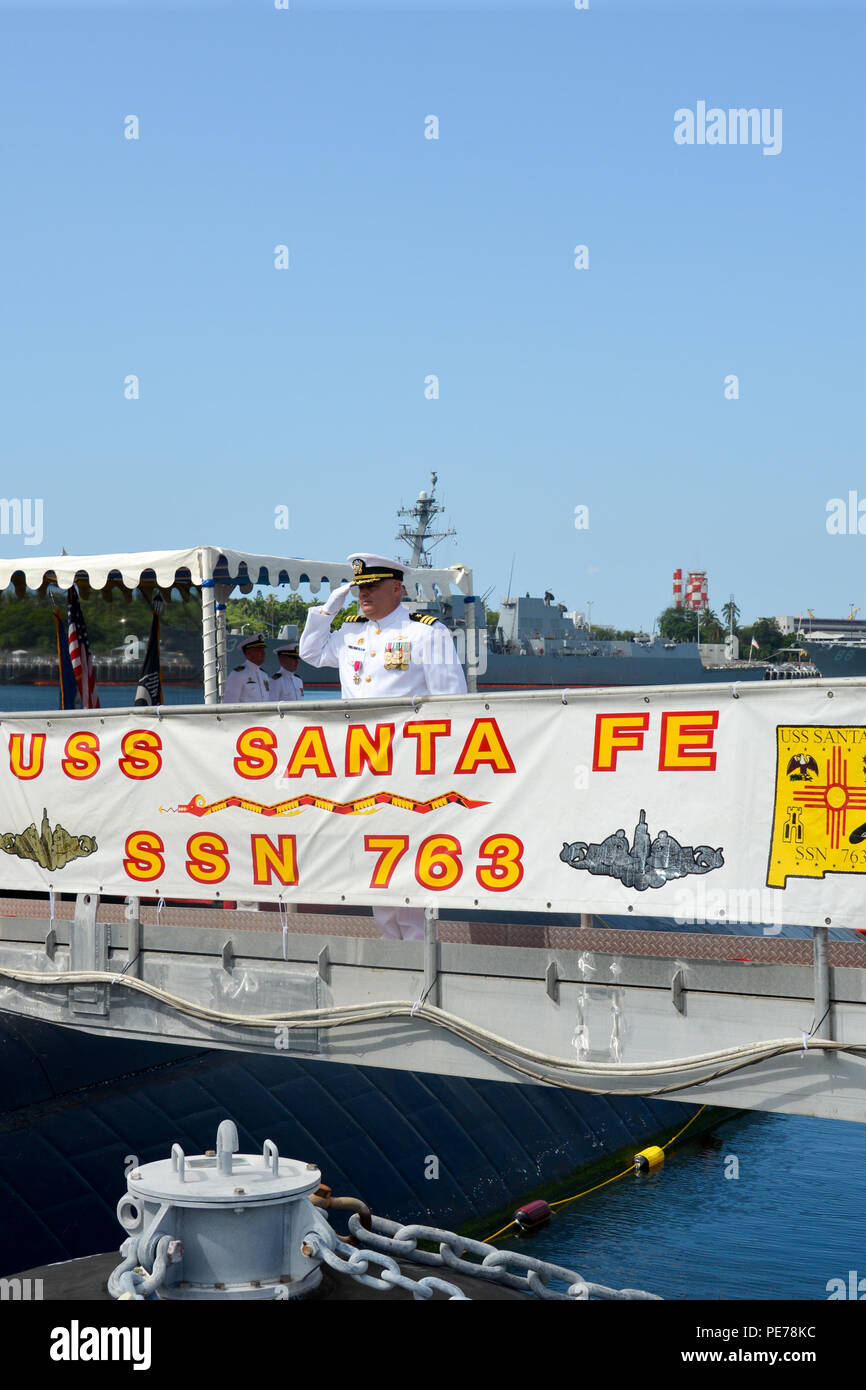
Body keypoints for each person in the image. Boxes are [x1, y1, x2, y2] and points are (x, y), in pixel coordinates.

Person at [300, 553, 467, 939]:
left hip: (409, 765)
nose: (364, 594)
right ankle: (391, 942)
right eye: (359, 587)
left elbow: (452, 703)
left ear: (397, 588)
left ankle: (419, 946)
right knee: (375, 856)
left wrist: (444, 767)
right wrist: (326, 611)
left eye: (372, 586)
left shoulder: (426, 633)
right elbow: (310, 653)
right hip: (360, 768)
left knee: (410, 856)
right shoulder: (351, 633)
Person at [223, 632, 273, 703]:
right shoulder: (238, 675)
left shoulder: (264, 675)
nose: (263, 653)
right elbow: (229, 705)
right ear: (248, 653)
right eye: (259, 650)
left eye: (263, 649)